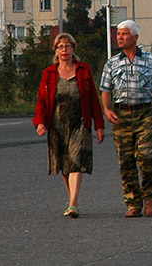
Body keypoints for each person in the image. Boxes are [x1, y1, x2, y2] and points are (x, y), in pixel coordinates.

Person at [100, 20, 152, 218]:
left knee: (146, 155)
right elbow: (106, 89)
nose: (120, 37)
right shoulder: (112, 62)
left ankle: (150, 199)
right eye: (118, 34)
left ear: (135, 37)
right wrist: (106, 109)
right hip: (121, 115)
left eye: (124, 34)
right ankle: (133, 203)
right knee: (125, 161)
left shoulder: (150, 60)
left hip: (144, 114)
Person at [33, 33, 105, 218]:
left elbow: (93, 99)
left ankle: (73, 203)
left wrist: (99, 125)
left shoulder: (84, 70)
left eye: (67, 46)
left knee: (76, 161)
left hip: (80, 121)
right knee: (64, 165)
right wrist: (40, 122)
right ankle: (73, 200)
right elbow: (42, 100)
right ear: (56, 51)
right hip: (57, 123)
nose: (64, 50)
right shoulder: (49, 73)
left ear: (74, 49)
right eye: (60, 47)